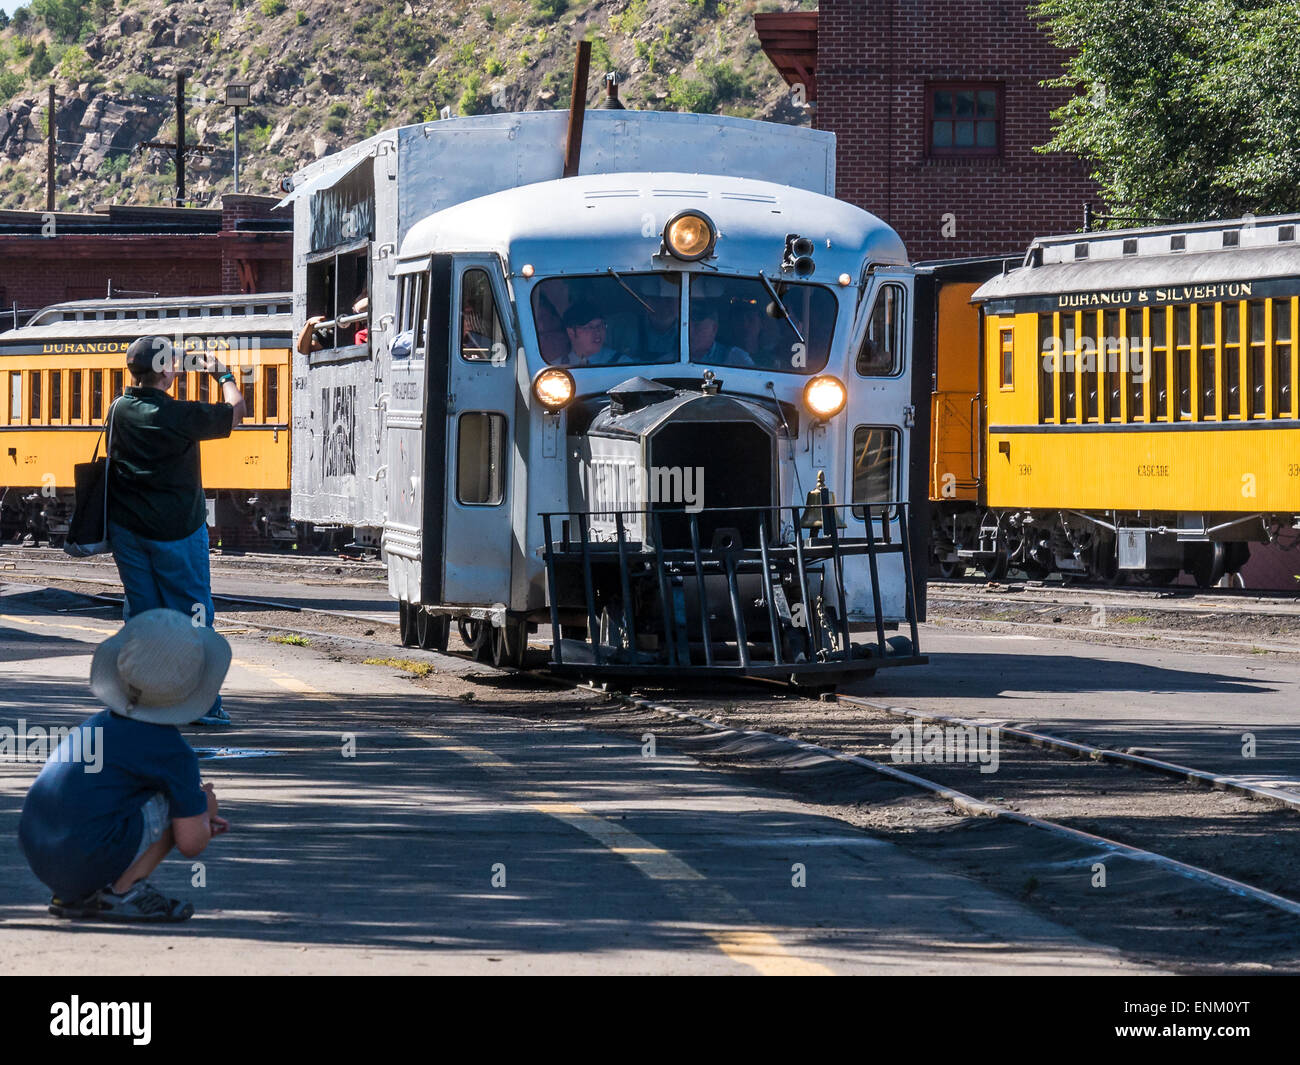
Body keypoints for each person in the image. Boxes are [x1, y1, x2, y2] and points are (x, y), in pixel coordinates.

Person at [18, 609, 232, 922]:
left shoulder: (94, 726)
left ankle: (74, 895)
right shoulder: (173, 753)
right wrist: (203, 809)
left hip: (41, 853)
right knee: (172, 803)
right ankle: (121, 892)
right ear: (194, 687)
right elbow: (191, 844)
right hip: (80, 859)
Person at [108, 335, 246, 726]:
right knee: (192, 617)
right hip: (176, 531)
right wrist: (224, 375)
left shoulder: (119, 409)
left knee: (143, 617)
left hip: (128, 531)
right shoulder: (178, 415)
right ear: (166, 371)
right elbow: (236, 412)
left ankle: (142, 701)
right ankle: (200, 704)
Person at [555, 301, 626, 367]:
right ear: (571, 333)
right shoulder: (555, 370)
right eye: (590, 327)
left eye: (601, 326)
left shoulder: (622, 364)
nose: (598, 331)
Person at [689, 301, 754, 367]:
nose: (690, 331)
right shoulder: (678, 354)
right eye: (686, 327)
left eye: (697, 326)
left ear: (714, 328)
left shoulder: (735, 358)